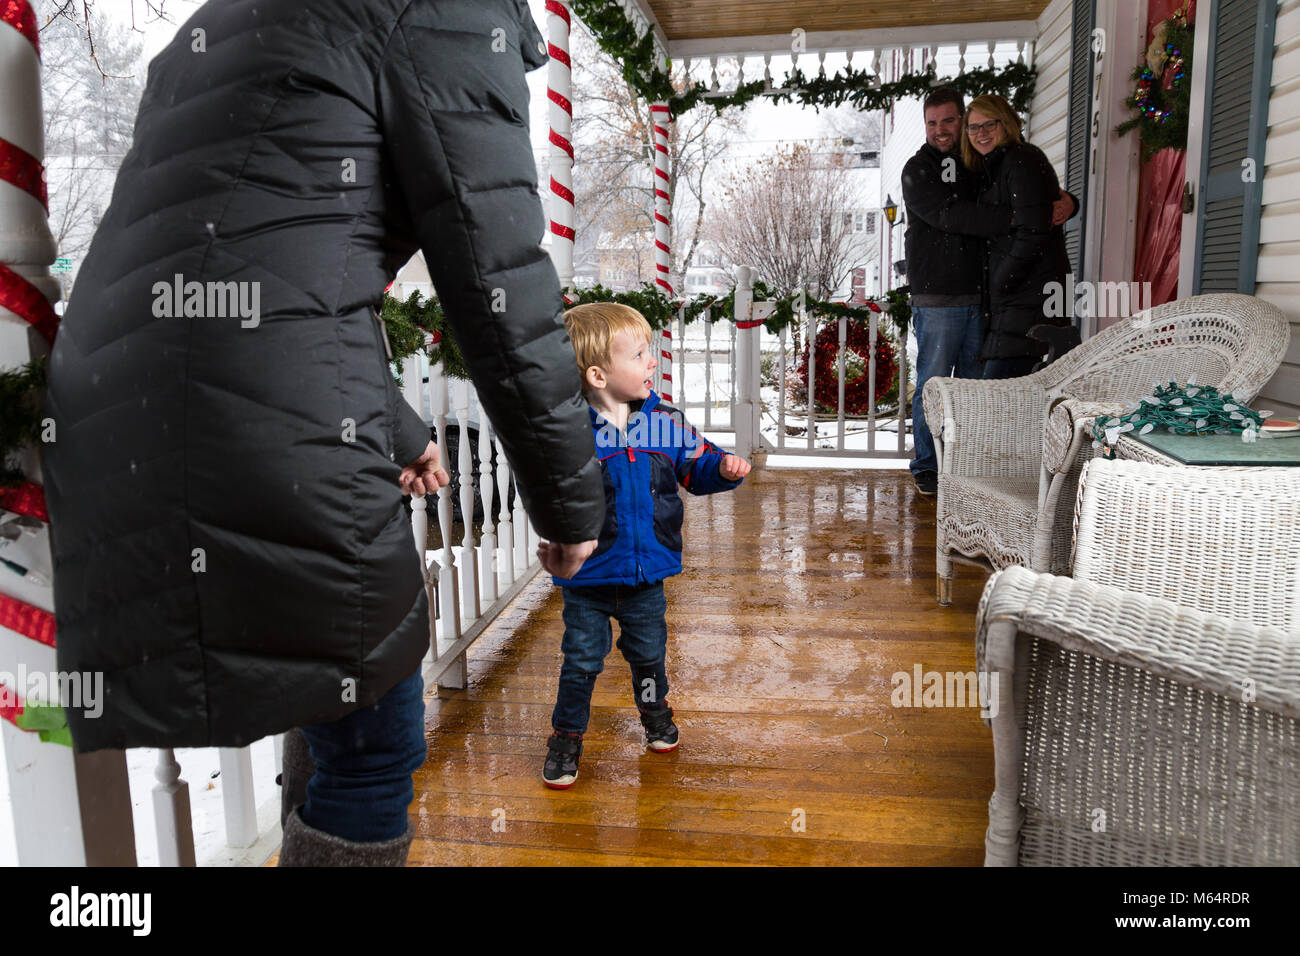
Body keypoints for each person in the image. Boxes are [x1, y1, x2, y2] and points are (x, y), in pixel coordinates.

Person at [42, 0, 602, 867]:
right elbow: (498, 283)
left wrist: (400, 425)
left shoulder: (226, 20)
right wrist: (569, 501)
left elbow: (276, 258)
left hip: (120, 392)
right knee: (374, 744)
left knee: (331, 680)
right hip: (255, 406)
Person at [540, 304, 750, 789]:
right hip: (589, 580)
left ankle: (655, 715)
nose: (651, 362)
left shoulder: (664, 423)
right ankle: (566, 737)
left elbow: (696, 468)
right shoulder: (571, 436)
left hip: (646, 576)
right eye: (639, 355)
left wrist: (720, 471)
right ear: (597, 375)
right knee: (582, 662)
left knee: (649, 654)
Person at [901, 88, 1077, 497]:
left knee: (976, 391)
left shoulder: (981, 161)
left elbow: (1030, 189)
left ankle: (964, 466)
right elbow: (953, 215)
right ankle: (927, 465)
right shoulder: (919, 170)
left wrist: (1069, 201)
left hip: (985, 298)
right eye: (932, 123)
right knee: (933, 383)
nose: (941, 130)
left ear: (961, 120)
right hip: (940, 297)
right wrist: (1018, 217)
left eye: (949, 120)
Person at [961, 93, 1074, 379]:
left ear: (1007, 123)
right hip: (1017, 299)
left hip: (1031, 297)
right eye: (973, 127)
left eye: (989, 124)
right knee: (1010, 396)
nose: (981, 133)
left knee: (1002, 396)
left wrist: (1002, 279)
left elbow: (1034, 230)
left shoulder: (1021, 160)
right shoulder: (993, 166)